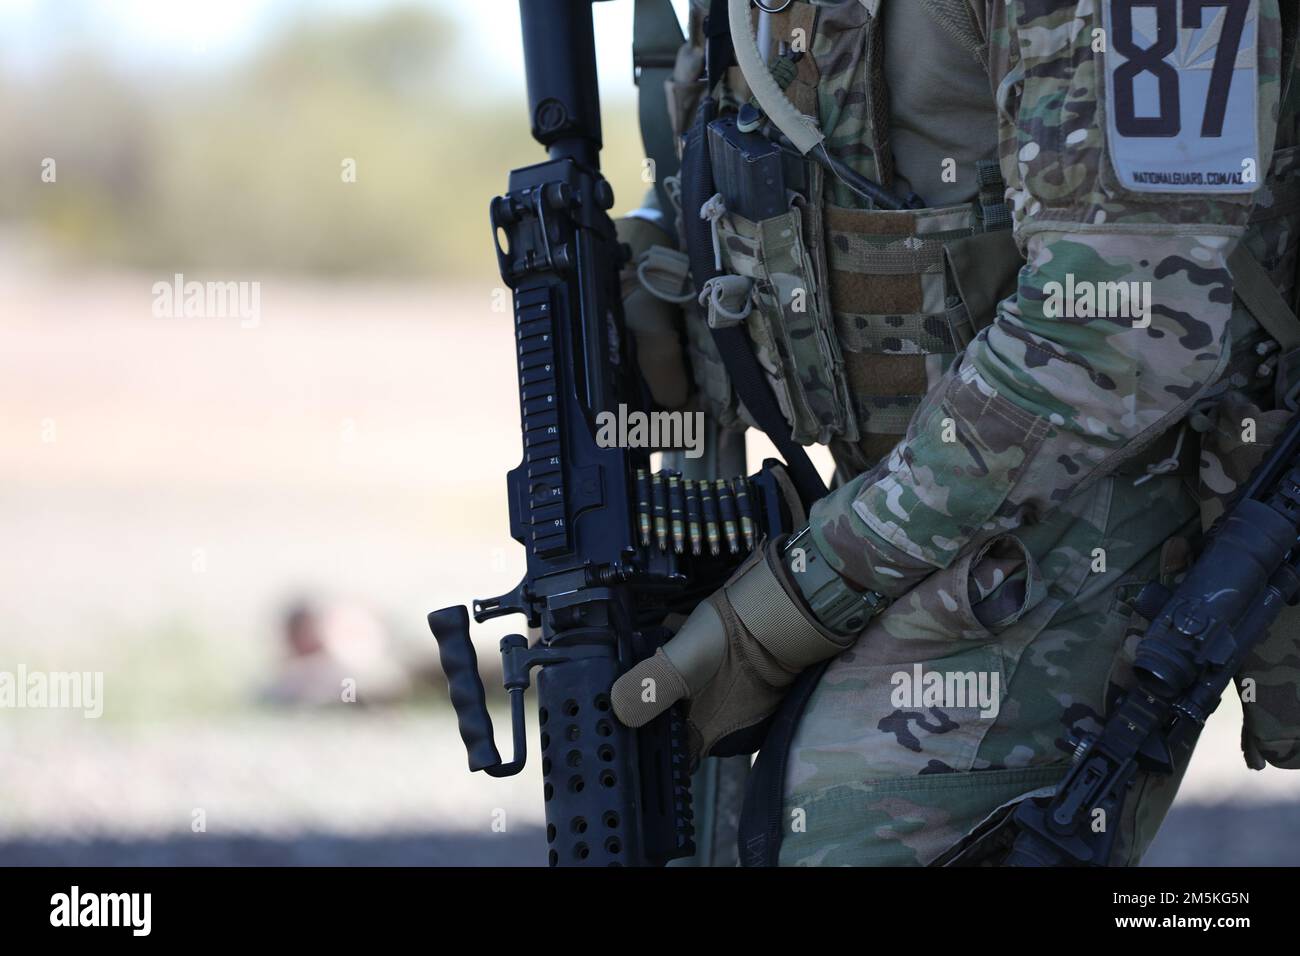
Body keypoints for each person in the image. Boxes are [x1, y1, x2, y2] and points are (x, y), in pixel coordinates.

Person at [610, 0, 1300, 865]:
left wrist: (807, 595)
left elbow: (1128, 327)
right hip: (899, 491)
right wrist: (652, 277)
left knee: (841, 834)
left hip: (1120, 475)